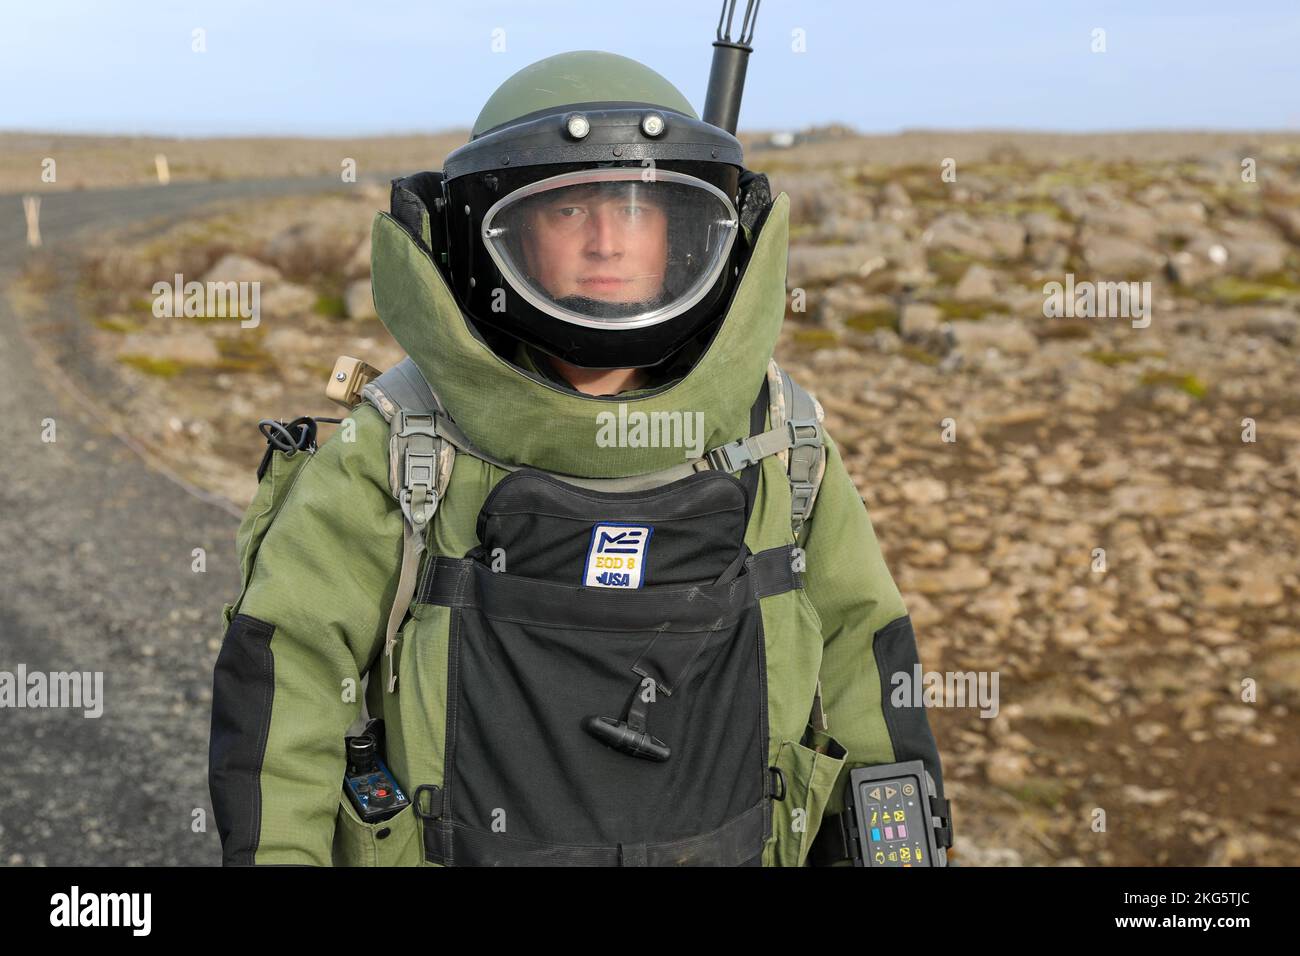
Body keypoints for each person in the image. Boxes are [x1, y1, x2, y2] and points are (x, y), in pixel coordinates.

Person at [208, 50, 951, 867]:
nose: (605, 243)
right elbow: (291, 687)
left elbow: (864, 668)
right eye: (566, 213)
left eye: (637, 210)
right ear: (498, 237)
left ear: (689, 233)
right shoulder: (403, 445)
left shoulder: (782, 445)